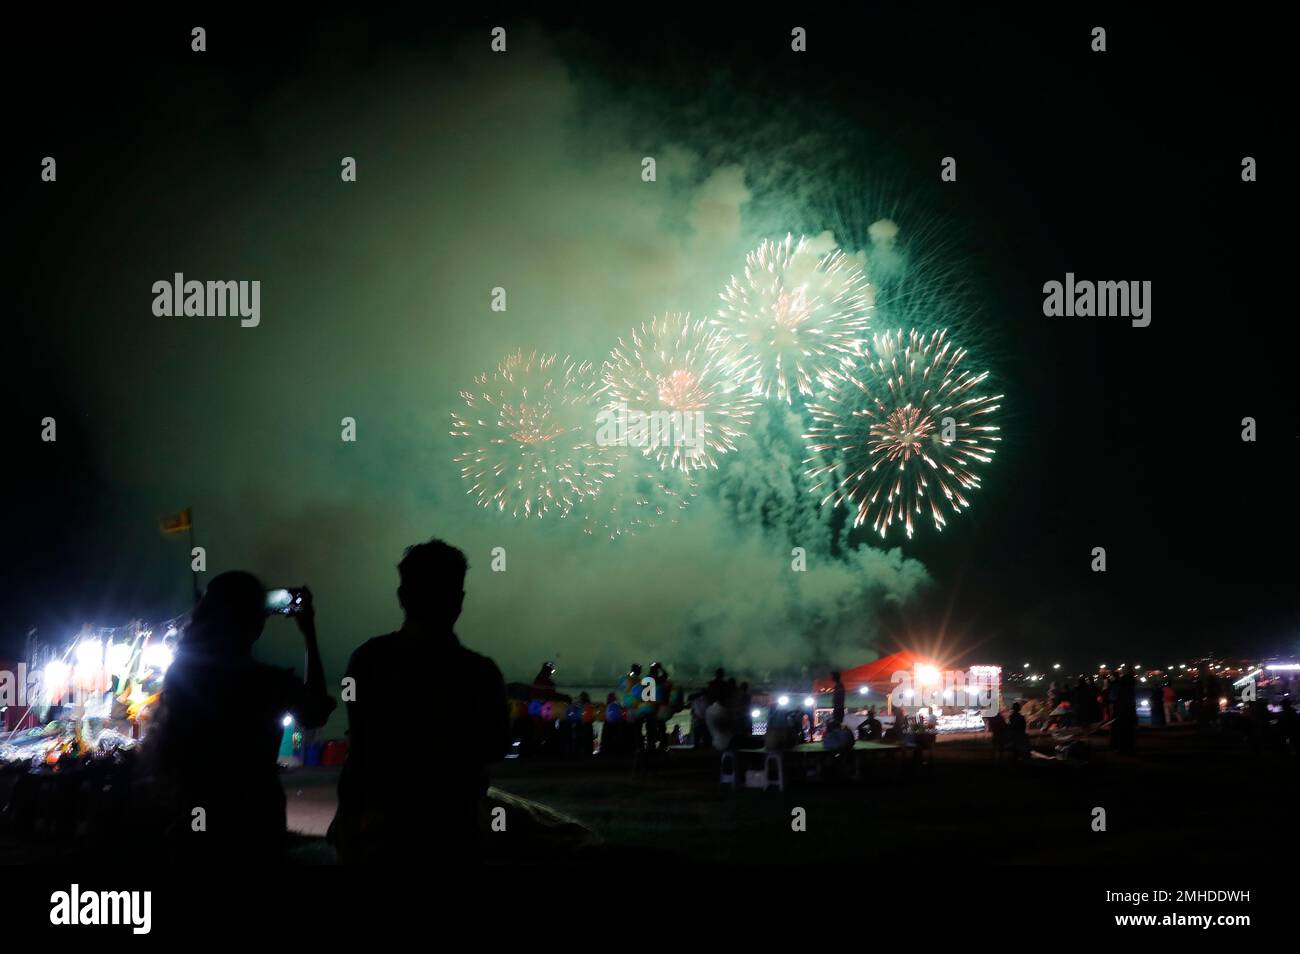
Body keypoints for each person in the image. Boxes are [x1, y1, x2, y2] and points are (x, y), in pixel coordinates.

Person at [331, 539, 507, 864]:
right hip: (454, 832)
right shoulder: (480, 673)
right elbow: (496, 747)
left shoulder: (368, 661)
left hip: (382, 833)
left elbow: (360, 747)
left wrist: (349, 816)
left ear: (403, 597)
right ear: (459, 601)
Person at [150, 571, 336, 863]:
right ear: (255, 624)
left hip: (195, 817)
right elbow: (316, 712)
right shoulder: (267, 683)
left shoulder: (181, 675)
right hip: (256, 823)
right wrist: (308, 632)